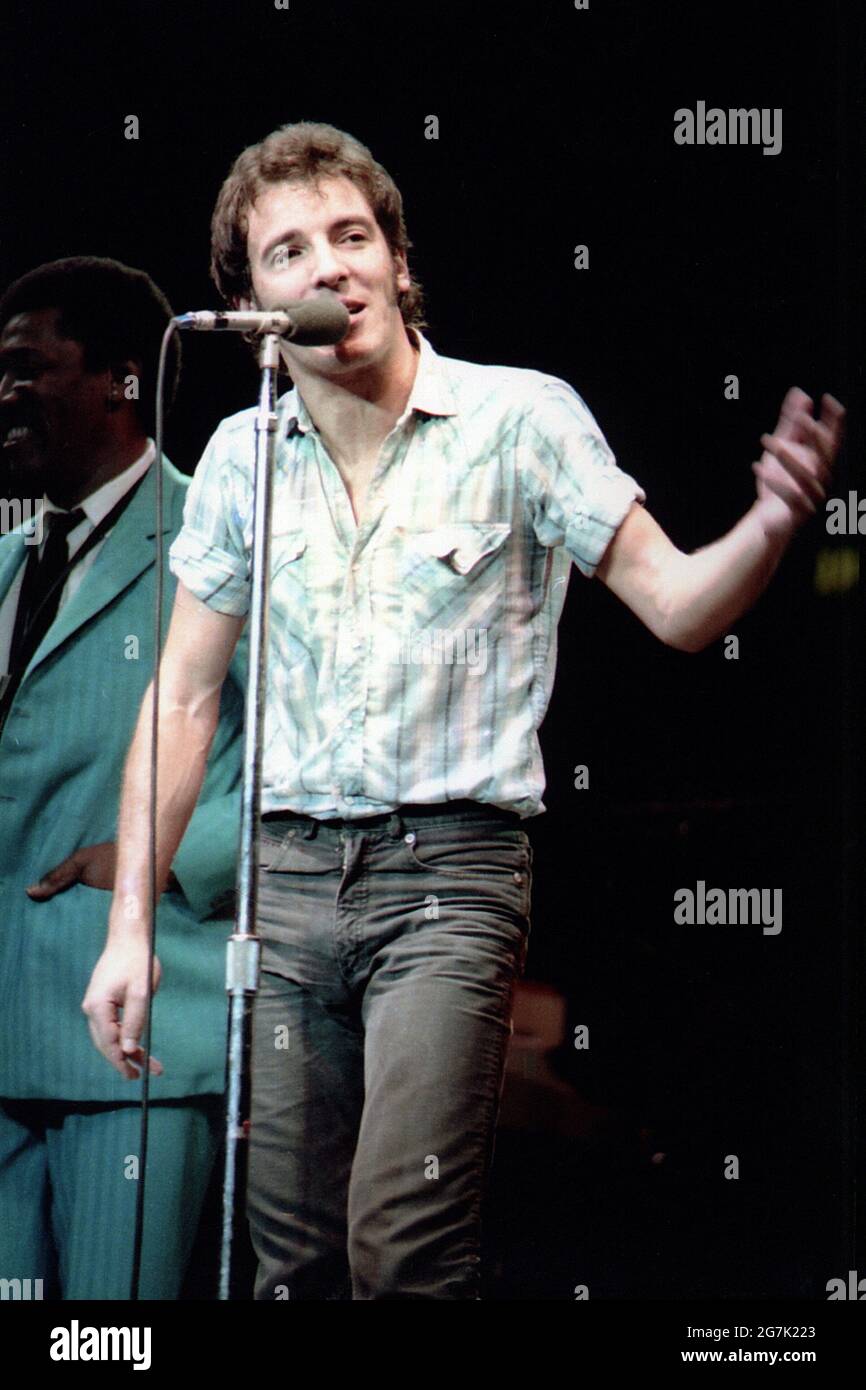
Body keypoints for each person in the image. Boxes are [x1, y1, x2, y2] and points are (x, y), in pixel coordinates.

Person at [83, 124, 845, 1301]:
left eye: (353, 236)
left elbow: (681, 606)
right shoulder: (243, 458)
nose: (332, 266)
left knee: (403, 1251)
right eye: (291, 251)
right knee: (294, 1265)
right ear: (252, 307)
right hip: (277, 882)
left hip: (448, 876)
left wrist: (768, 522)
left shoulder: (519, 421)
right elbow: (181, 696)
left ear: (395, 262)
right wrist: (129, 925)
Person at [0, 256, 245, 1300]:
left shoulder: (223, 538)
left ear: (120, 380)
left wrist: (149, 857)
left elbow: (305, 759)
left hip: (132, 1043)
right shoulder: (10, 561)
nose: (3, 394)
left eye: (25, 368)